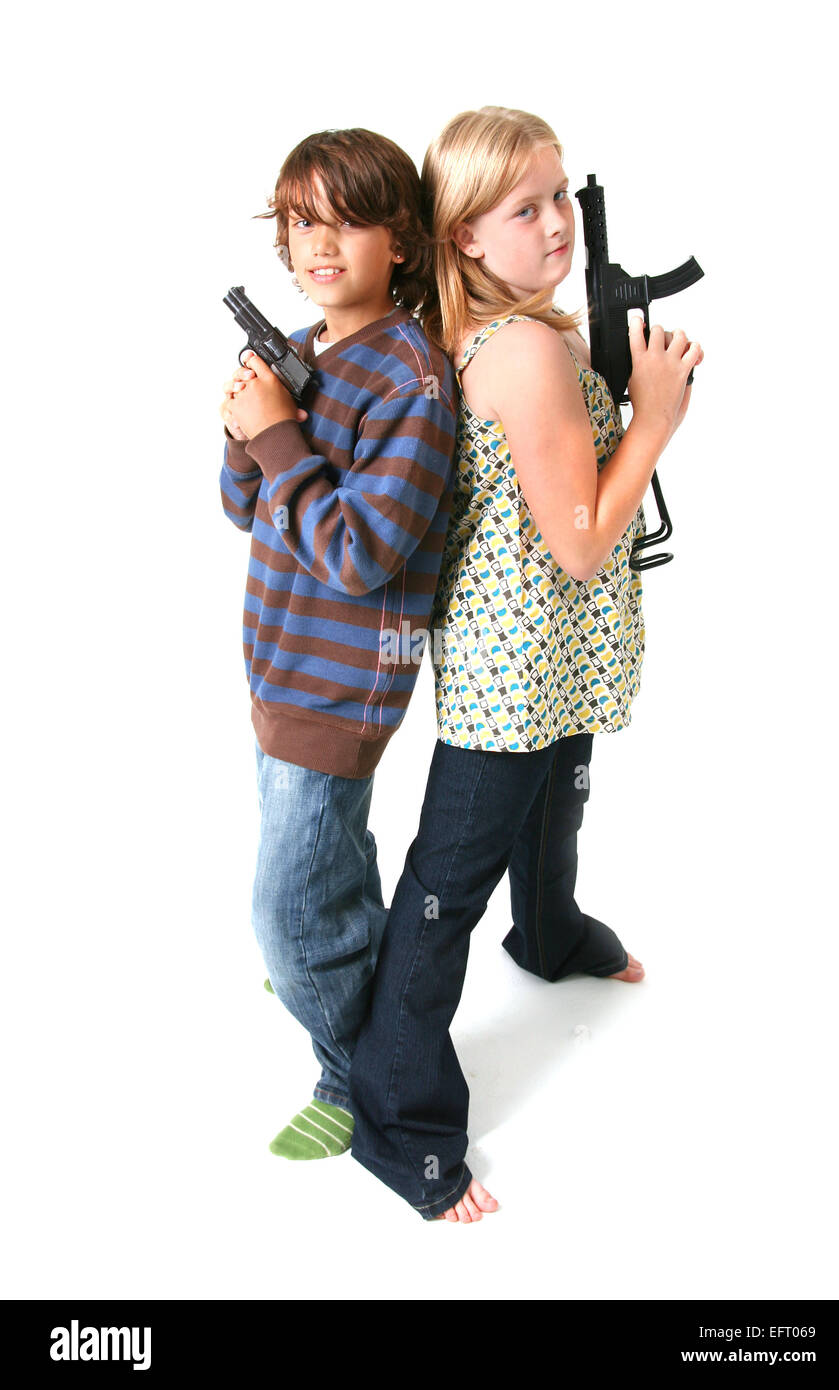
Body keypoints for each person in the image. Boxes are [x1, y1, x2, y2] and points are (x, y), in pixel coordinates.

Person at [348, 106, 703, 1220]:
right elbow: (583, 535)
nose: (555, 222)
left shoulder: (501, 330)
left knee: (556, 809)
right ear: (461, 237)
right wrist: (651, 416)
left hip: (549, 652)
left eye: (559, 197)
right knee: (446, 884)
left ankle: (548, 933)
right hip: (513, 666)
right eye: (525, 207)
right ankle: (394, 1118)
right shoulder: (524, 350)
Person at [219, 128, 457, 1162]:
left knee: (285, 910)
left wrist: (280, 436)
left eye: (347, 219)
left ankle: (344, 1065)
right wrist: (246, 426)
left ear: (398, 239)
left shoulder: (409, 376)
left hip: (343, 679)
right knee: (321, 866)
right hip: (278, 663)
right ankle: (333, 958)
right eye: (299, 221)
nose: (319, 244)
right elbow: (247, 509)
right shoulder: (311, 351)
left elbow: (357, 553)